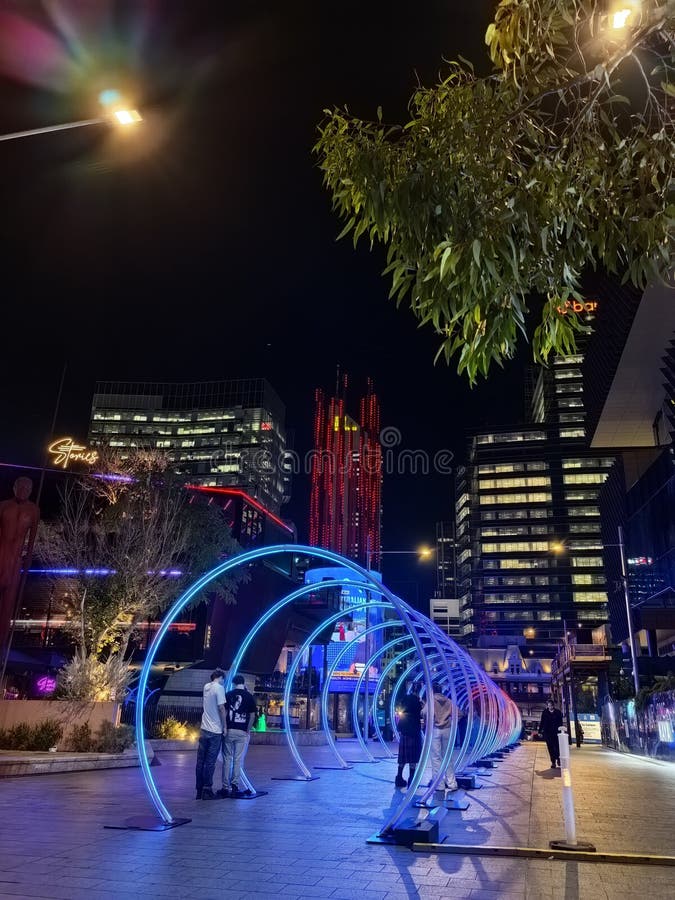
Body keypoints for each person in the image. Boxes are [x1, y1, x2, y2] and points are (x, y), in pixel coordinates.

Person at [0, 478, 40, 650]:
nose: (23, 490)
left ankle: (1, 642)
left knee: (8, 603)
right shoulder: (3, 506)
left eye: (27, 488)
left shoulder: (33, 510)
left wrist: (28, 561)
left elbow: (31, 541)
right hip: (1, 553)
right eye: (20, 487)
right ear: (14, 487)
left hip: (16, 560)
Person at [221, 673, 258, 797]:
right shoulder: (249, 696)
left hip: (230, 730)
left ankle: (225, 787)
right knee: (237, 759)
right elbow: (252, 715)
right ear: (243, 683)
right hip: (242, 731)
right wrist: (247, 730)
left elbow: (224, 712)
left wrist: (224, 727)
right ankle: (235, 785)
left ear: (234, 683)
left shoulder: (229, 694)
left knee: (227, 758)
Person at [195, 669, 227, 799]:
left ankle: (199, 789)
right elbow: (221, 708)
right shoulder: (219, 688)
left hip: (204, 728)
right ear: (220, 677)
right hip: (215, 730)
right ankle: (207, 789)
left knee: (200, 760)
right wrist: (224, 726)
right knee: (210, 762)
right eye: (223, 679)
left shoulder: (206, 687)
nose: (224, 682)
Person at [422, 683, 458, 791]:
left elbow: (424, 712)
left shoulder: (431, 701)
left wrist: (428, 720)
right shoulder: (449, 701)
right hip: (447, 730)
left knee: (436, 758)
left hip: (435, 730)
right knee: (448, 757)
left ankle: (439, 785)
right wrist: (450, 720)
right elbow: (459, 713)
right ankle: (452, 783)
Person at [395, 682, 423, 788]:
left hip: (404, 728)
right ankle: (411, 779)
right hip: (414, 730)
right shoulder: (417, 701)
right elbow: (421, 714)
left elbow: (399, 708)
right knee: (413, 757)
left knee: (402, 757)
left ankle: (399, 778)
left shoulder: (405, 698)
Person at [539, 698, 564, 768]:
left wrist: (560, 730)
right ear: (547, 706)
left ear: (553, 705)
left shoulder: (558, 713)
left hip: (556, 732)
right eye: (549, 706)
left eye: (551, 705)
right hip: (548, 733)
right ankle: (553, 762)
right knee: (550, 748)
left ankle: (558, 759)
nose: (550, 707)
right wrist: (540, 731)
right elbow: (542, 722)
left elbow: (560, 723)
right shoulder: (545, 712)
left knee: (557, 747)